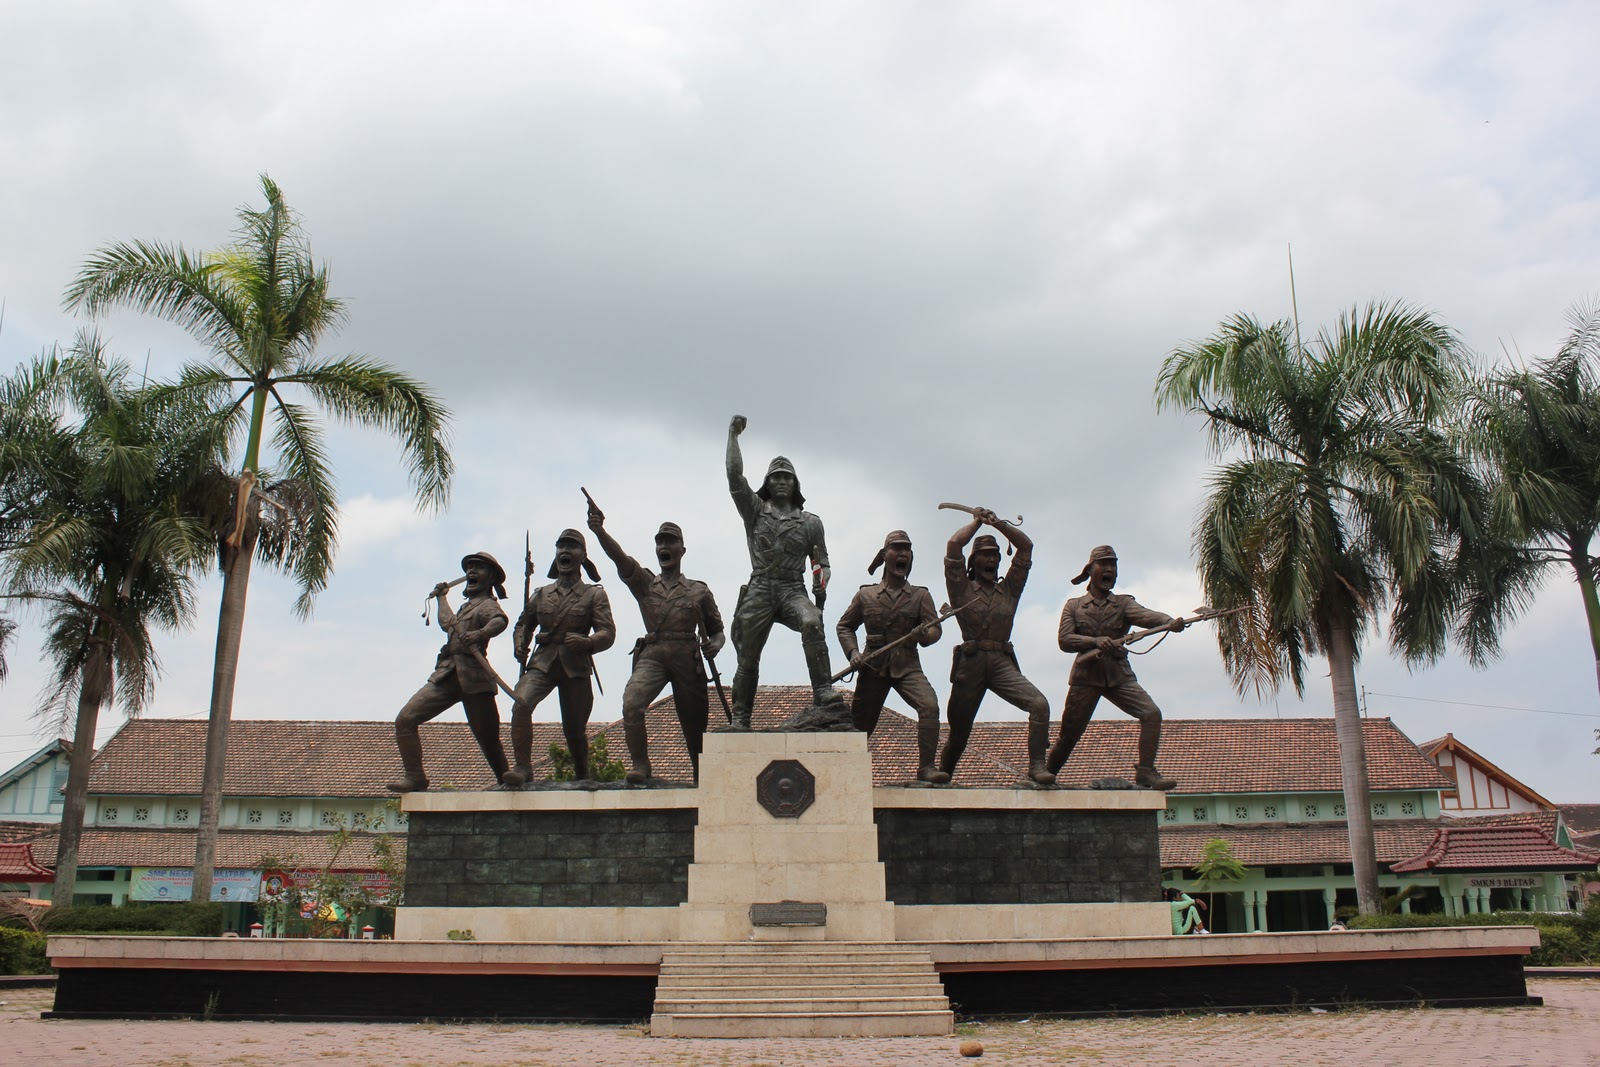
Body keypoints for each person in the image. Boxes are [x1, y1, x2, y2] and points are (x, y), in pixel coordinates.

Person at [588, 507, 725, 783]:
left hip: (687, 655)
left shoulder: (699, 590)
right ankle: (641, 765)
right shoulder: (645, 584)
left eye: (670, 541)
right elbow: (620, 559)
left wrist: (716, 644)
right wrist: (599, 531)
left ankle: (701, 777)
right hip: (654, 654)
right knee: (632, 704)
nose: (664, 546)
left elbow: (718, 630)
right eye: (660, 541)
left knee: (694, 724)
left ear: (681, 549)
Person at [724, 414, 844, 728]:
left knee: (811, 622)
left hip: (794, 588)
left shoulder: (811, 522)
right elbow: (735, 479)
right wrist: (733, 436)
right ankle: (740, 718)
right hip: (761, 586)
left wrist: (822, 580)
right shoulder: (754, 510)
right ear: (768, 483)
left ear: (795, 485)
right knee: (747, 653)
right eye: (775, 477)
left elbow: (823, 563)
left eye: (786, 477)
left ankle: (823, 690)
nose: (780, 481)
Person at [1049, 544, 1183, 789]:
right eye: (1104, 564)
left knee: (1151, 713)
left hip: (1118, 675)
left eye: (1114, 565)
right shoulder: (1074, 606)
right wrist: (1094, 641)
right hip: (1086, 677)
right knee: (1069, 735)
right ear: (1090, 570)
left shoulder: (1123, 604)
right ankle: (1045, 775)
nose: (1110, 569)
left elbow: (1146, 616)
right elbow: (1065, 640)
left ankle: (1146, 772)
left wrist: (1169, 621)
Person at [940, 509, 1054, 783]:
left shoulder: (1010, 588)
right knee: (959, 732)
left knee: (1039, 705)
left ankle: (1038, 766)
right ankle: (943, 774)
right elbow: (954, 545)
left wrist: (998, 524)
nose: (990, 559)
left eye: (994, 555)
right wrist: (976, 523)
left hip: (1002, 661)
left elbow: (1026, 546)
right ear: (973, 561)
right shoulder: (961, 588)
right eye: (984, 554)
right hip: (971, 662)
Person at [388, 552, 512, 792]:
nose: (472, 572)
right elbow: (448, 624)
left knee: (488, 739)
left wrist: (479, 634)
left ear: (491, 579)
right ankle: (415, 776)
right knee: (405, 719)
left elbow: (499, 621)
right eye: (470, 568)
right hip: (447, 673)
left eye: (479, 568)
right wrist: (442, 598)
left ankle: (506, 781)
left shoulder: (487, 605)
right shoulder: (466, 608)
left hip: (474, 676)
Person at [506, 529, 616, 784]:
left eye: (572, 546)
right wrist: (519, 644)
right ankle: (522, 768)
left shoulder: (594, 594)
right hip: (543, 662)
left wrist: (587, 642)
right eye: (561, 547)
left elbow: (608, 633)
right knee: (520, 704)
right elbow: (523, 624)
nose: (565, 551)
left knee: (574, 730)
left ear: (583, 556)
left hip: (575, 665)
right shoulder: (542, 593)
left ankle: (582, 774)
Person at [837, 530, 947, 781]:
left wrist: (925, 635)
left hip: (907, 664)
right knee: (860, 726)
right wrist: (853, 652)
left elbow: (935, 628)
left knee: (929, 706)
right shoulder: (866, 595)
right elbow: (844, 626)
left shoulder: (921, 596)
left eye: (907, 550)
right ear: (884, 556)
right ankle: (846, 772)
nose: (903, 554)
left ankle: (927, 768)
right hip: (873, 665)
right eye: (897, 549)